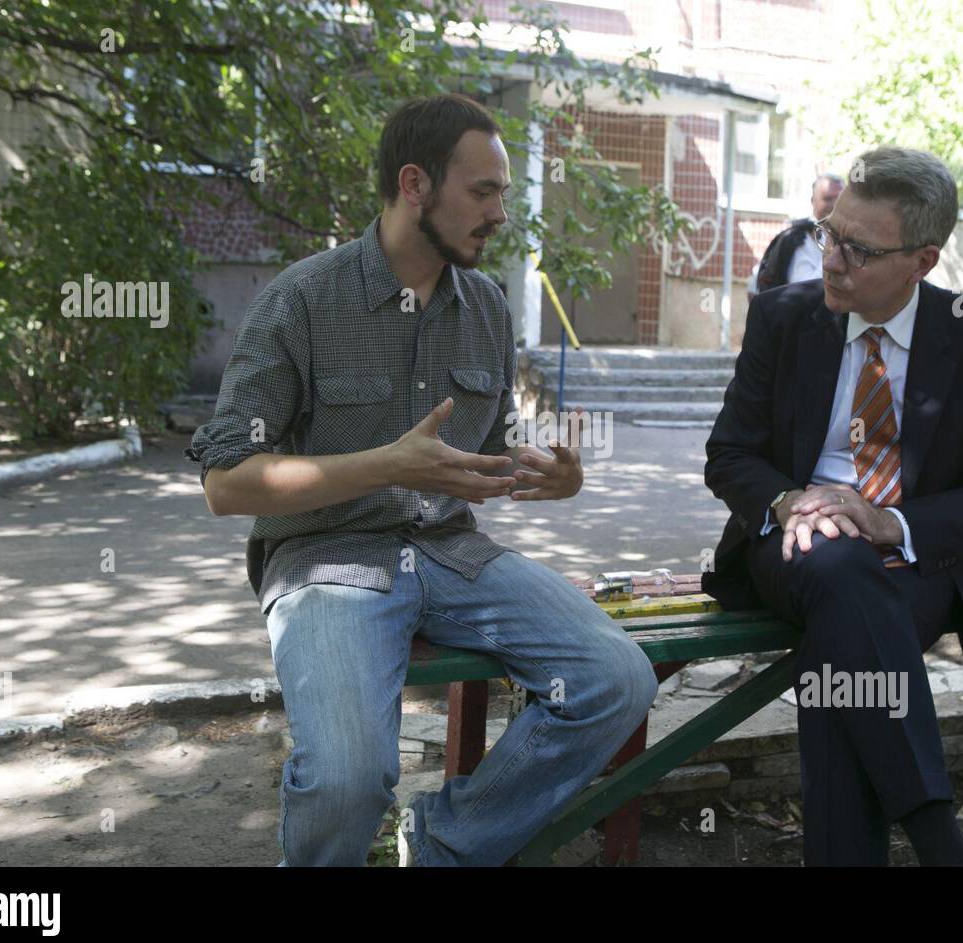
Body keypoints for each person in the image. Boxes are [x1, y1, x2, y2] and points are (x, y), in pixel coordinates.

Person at [184, 94, 658, 866]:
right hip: (326, 559)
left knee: (616, 680)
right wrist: (383, 466)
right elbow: (226, 483)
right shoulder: (300, 301)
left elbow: (487, 447)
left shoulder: (487, 309)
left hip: (450, 553)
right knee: (347, 778)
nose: (501, 212)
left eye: (503, 191)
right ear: (415, 185)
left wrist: (551, 475)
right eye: (484, 190)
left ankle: (442, 844)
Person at [702, 146, 963, 865]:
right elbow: (728, 454)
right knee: (842, 569)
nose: (833, 258)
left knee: (840, 653)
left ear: (923, 260)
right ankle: (941, 842)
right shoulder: (783, 317)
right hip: (791, 550)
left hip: (918, 563)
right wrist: (791, 502)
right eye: (829, 232)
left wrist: (891, 522)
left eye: (859, 248)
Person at [753, 174, 845, 296]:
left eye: (839, 199)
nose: (835, 205)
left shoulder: (849, 235)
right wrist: (832, 245)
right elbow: (805, 290)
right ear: (813, 201)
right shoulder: (798, 237)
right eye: (828, 199)